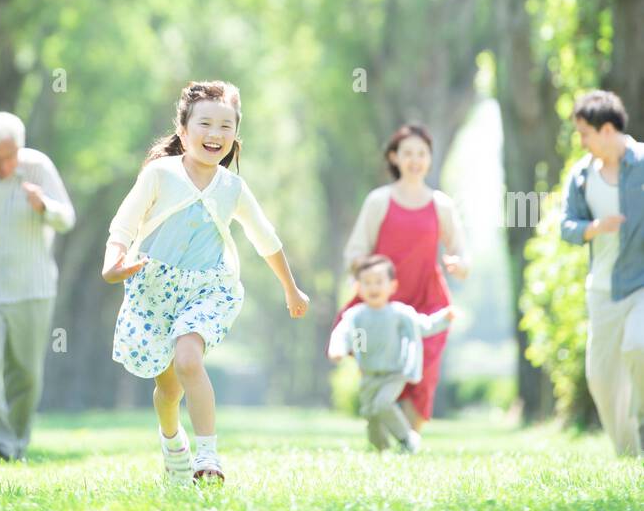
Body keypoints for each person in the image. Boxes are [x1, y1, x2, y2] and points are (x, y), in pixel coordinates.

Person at [102, 80, 309, 485]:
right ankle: (172, 441)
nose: (215, 135)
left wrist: (291, 288)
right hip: (154, 290)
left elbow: (265, 239)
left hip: (208, 289)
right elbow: (124, 225)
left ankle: (208, 458)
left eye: (226, 127)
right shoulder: (159, 175)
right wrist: (113, 264)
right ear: (183, 130)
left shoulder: (232, 188)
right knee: (168, 389)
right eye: (206, 124)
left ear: (235, 136)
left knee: (188, 360)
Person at [0, 111, 76, 461]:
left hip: (29, 285)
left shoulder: (38, 167)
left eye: (9, 157)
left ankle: (17, 441)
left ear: (19, 149)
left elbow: (67, 218)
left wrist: (44, 206)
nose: (2, 165)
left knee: (26, 370)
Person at [334, 122, 469, 434]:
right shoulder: (379, 201)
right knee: (382, 370)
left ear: (430, 159)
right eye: (407, 153)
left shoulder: (441, 205)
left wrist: (459, 265)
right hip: (382, 301)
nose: (415, 160)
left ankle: (409, 444)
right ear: (394, 157)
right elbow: (355, 253)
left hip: (428, 299)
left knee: (425, 371)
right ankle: (383, 435)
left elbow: (462, 252)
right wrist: (368, 275)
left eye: (421, 153)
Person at [560, 89, 644, 458]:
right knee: (601, 379)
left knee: (638, 345)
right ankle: (628, 456)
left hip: (640, 283)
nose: (581, 141)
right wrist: (593, 228)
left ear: (607, 129)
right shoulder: (581, 176)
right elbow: (566, 225)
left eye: (584, 133)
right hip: (602, 289)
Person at [328, 253, 455, 452]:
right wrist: (337, 349)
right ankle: (381, 449)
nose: (373, 288)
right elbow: (343, 333)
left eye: (379, 282)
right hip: (369, 375)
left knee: (382, 404)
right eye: (367, 283)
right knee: (371, 414)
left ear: (392, 286)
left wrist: (444, 317)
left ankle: (407, 438)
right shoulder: (356, 316)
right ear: (358, 288)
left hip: (394, 373)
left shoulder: (399, 313)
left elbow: (423, 324)